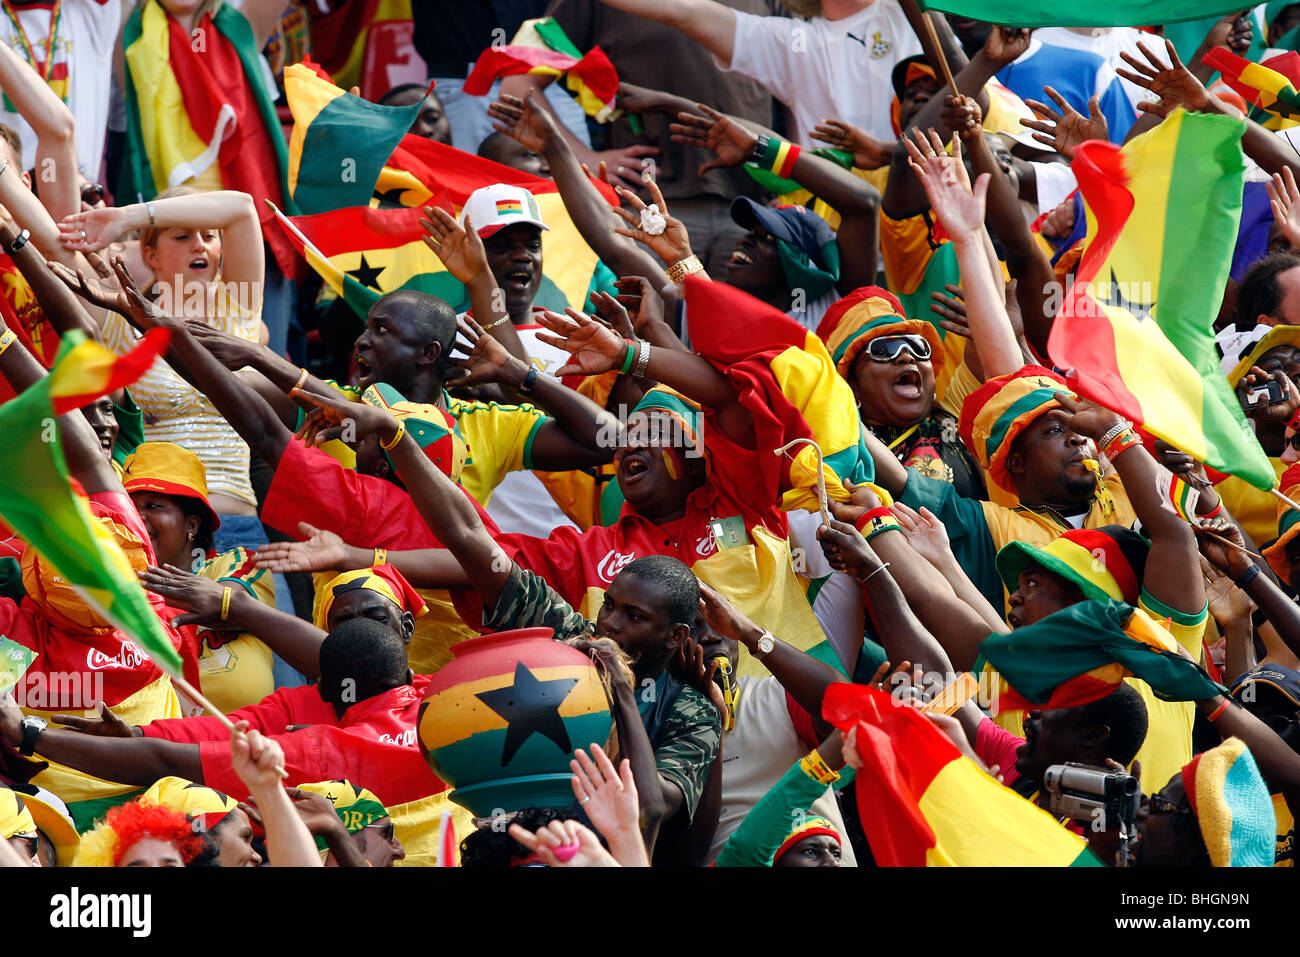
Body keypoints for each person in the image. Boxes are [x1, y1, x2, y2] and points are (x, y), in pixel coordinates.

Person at [59, 187, 272, 552]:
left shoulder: (240, 307)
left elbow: (242, 206)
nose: (200, 246)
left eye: (209, 236)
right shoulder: (120, 318)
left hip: (240, 532)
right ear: (150, 254)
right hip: (151, 534)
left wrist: (128, 216)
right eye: (183, 235)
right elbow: (55, 244)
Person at [121, 441, 278, 713]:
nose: (138, 518)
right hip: (147, 749)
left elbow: (227, 601)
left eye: (154, 506)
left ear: (192, 524)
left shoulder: (236, 563)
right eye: (130, 508)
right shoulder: (108, 585)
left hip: (249, 745)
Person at [817, 285, 985, 499]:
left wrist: (989, 320)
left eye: (917, 345)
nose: (907, 356)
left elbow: (989, 348)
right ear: (851, 384)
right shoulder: (840, 457)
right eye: (883, 349)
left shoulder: (956, 412)